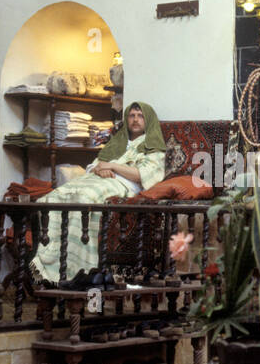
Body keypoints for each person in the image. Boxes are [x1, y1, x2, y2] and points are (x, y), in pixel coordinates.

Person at [29, 101, 166, 285]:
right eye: (132, 115)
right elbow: (96, 164)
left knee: (85, 198)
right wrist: (100, 169)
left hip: (123, 184)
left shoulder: (153, 147)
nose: (135, 120)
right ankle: (48, 261)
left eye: (140, 116)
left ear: (148, 120)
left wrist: (111, 166)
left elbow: (142, 175)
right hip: (98, 178)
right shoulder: (118, 141)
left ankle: (77, 269)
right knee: (52, 198)